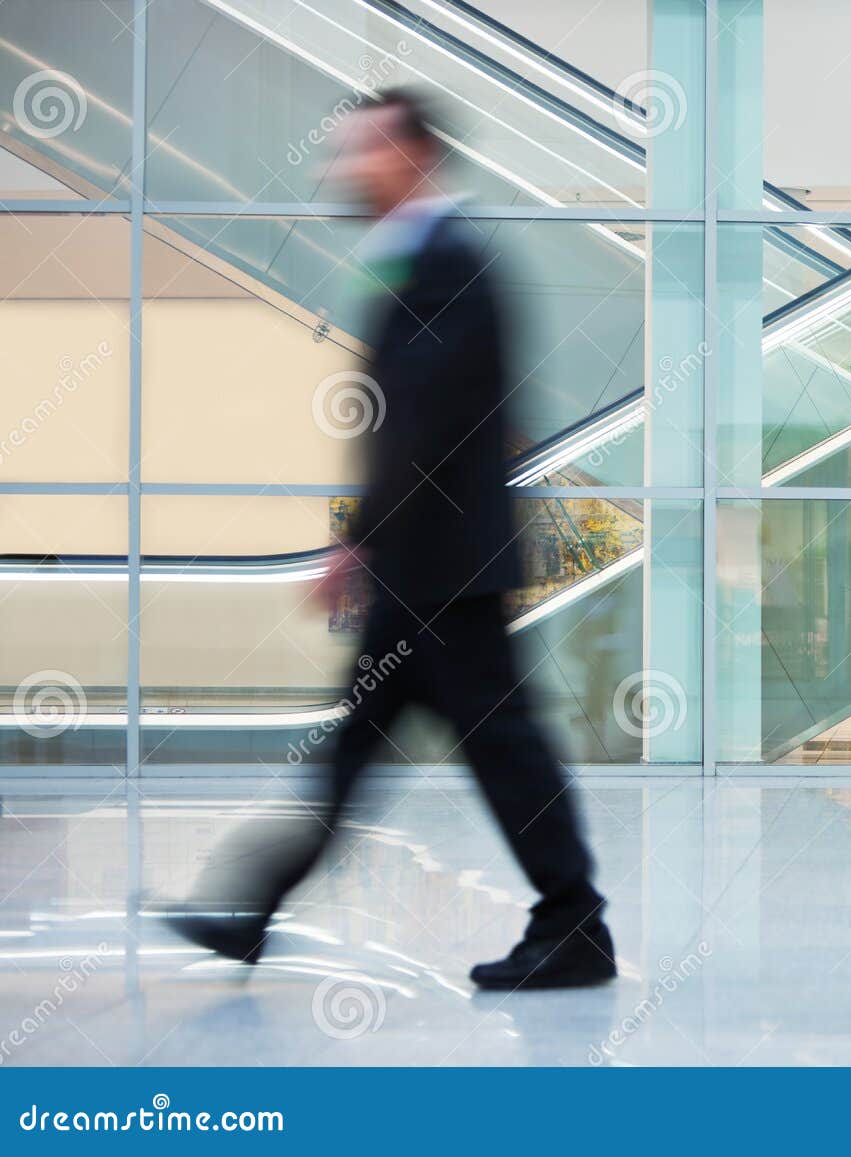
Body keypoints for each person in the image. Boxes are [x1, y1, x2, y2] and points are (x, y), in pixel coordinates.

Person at [168, 89, 615, 992]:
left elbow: (421, 420)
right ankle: (253, 912)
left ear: (413, 156)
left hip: (445, 569)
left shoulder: (449, 262)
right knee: (365, 750)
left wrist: (357, 538)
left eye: (359, 151)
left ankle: (574, 922)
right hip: (428, 567)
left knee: (502, 753)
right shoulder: (416, 261)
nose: (341, 169)